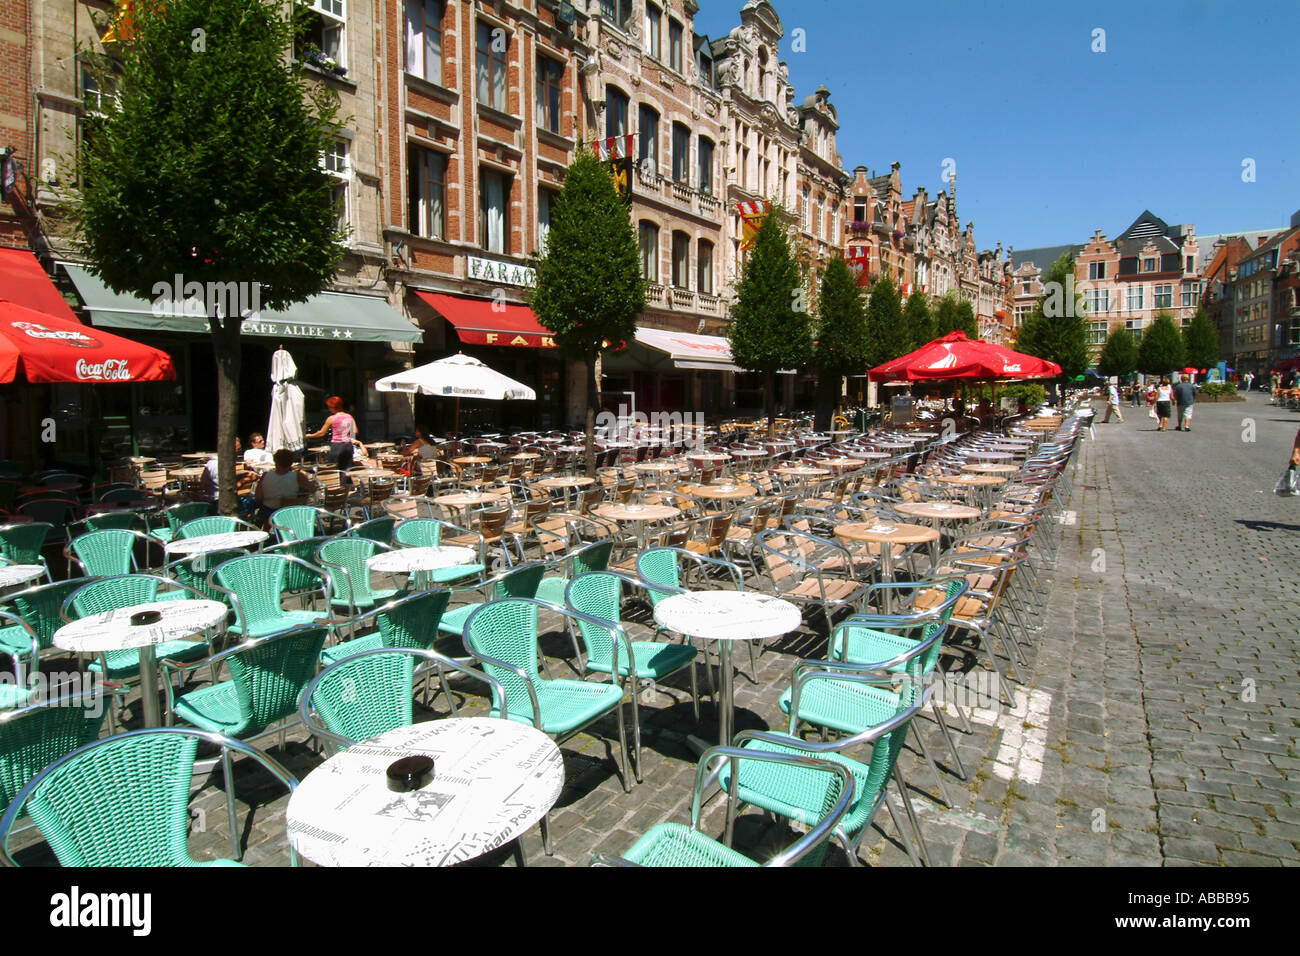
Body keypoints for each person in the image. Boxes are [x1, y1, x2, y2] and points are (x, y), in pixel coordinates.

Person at [254, 449, 316, 524]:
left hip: (268, 513)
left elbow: (258, 497)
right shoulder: (297, 476)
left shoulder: (265, 476)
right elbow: (312, 489)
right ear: (291, 462)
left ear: (275, 461)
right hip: (289, 513)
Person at [307, 396, 359, 469]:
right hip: (348, 446)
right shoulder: (349, 417)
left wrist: (309, 436)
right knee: (346, 470)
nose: (329, 409)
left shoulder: (331, 418)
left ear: (333, 407)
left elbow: (322, 433)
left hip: (337, 445)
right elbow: (355, 432)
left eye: (329, 407)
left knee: (333, 468)